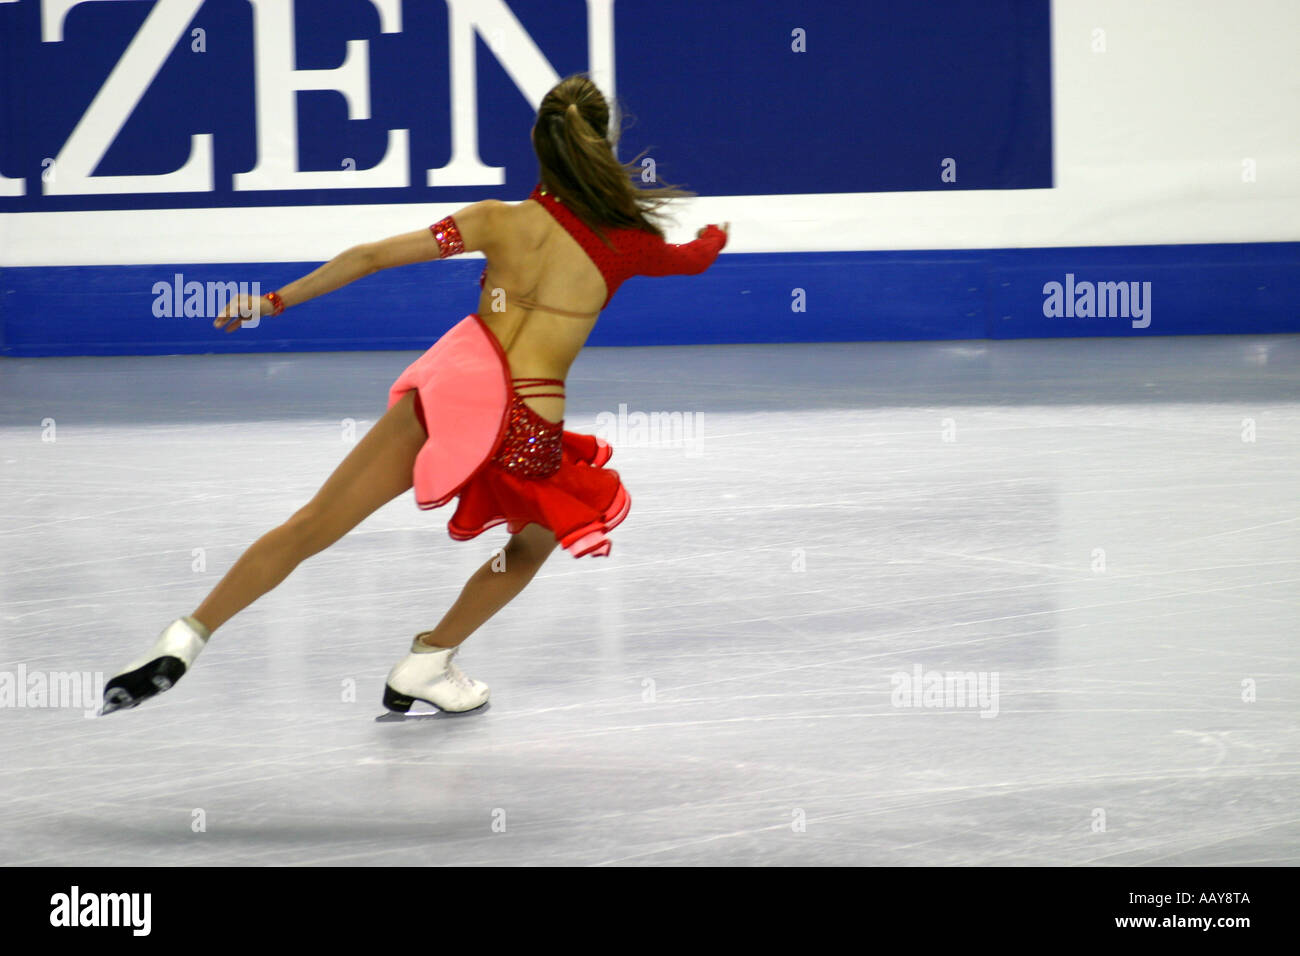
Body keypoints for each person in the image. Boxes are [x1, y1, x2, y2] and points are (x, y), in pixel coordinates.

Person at [102, 74, 729, 717]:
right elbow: (691, 259)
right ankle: (429, 660)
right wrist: (712, 241)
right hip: (528, 420)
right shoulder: (623, 245)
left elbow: (372, 257)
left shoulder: (494, 220)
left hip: (456, 392)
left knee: (311, 525)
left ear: (539, 144)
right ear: (600, 146)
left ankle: (188, 634)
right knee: (532, 542)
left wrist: (272, 301)